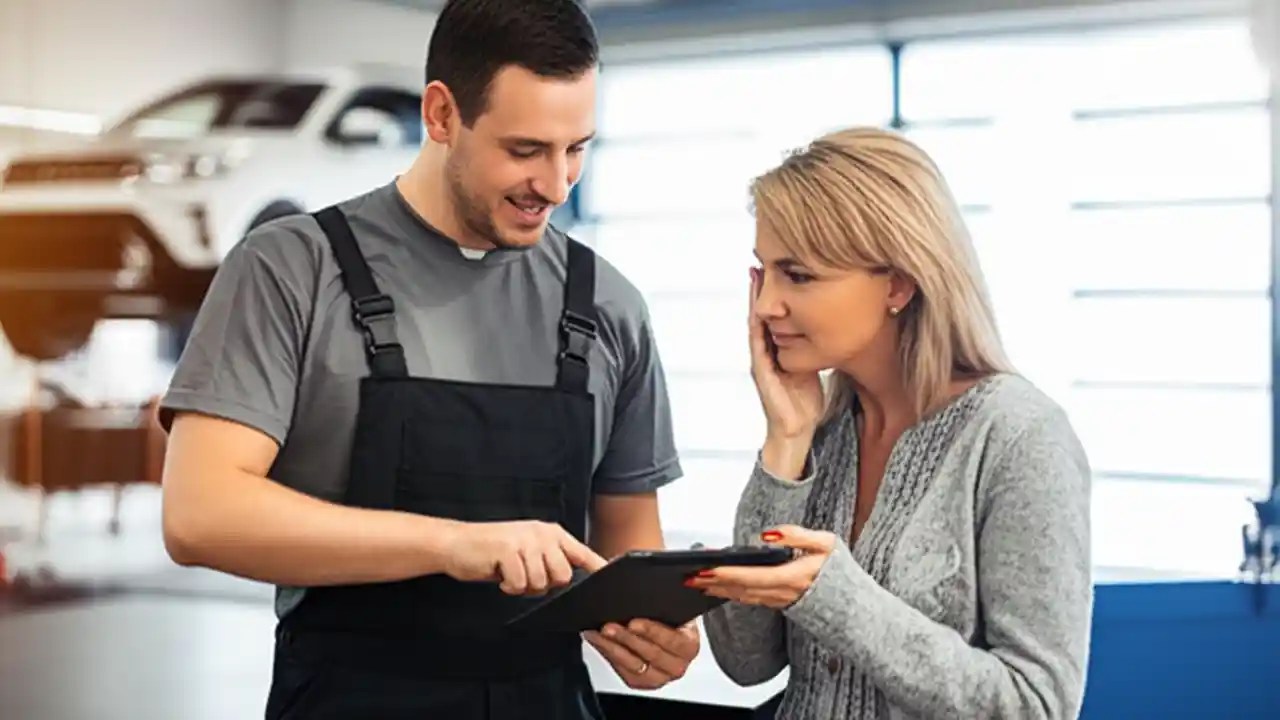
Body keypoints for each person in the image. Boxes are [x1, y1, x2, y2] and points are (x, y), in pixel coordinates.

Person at [157, 1, 699, 717]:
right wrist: (452, 545)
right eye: (526, 149)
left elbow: (628, 555)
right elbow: (201, 515)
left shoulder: (609, 307)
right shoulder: (291, 269)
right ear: (441, 115)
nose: (558, 184)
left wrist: (654, 635)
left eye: (578, 148)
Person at [688, 127, 1093, 719]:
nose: (766, 305)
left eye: (797, 275)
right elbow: (747, 661)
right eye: (763, 273)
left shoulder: (1018, 438)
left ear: (899, 283)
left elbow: (1037, 706)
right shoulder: (820, 431)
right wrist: (786, 440)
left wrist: (835, 597)